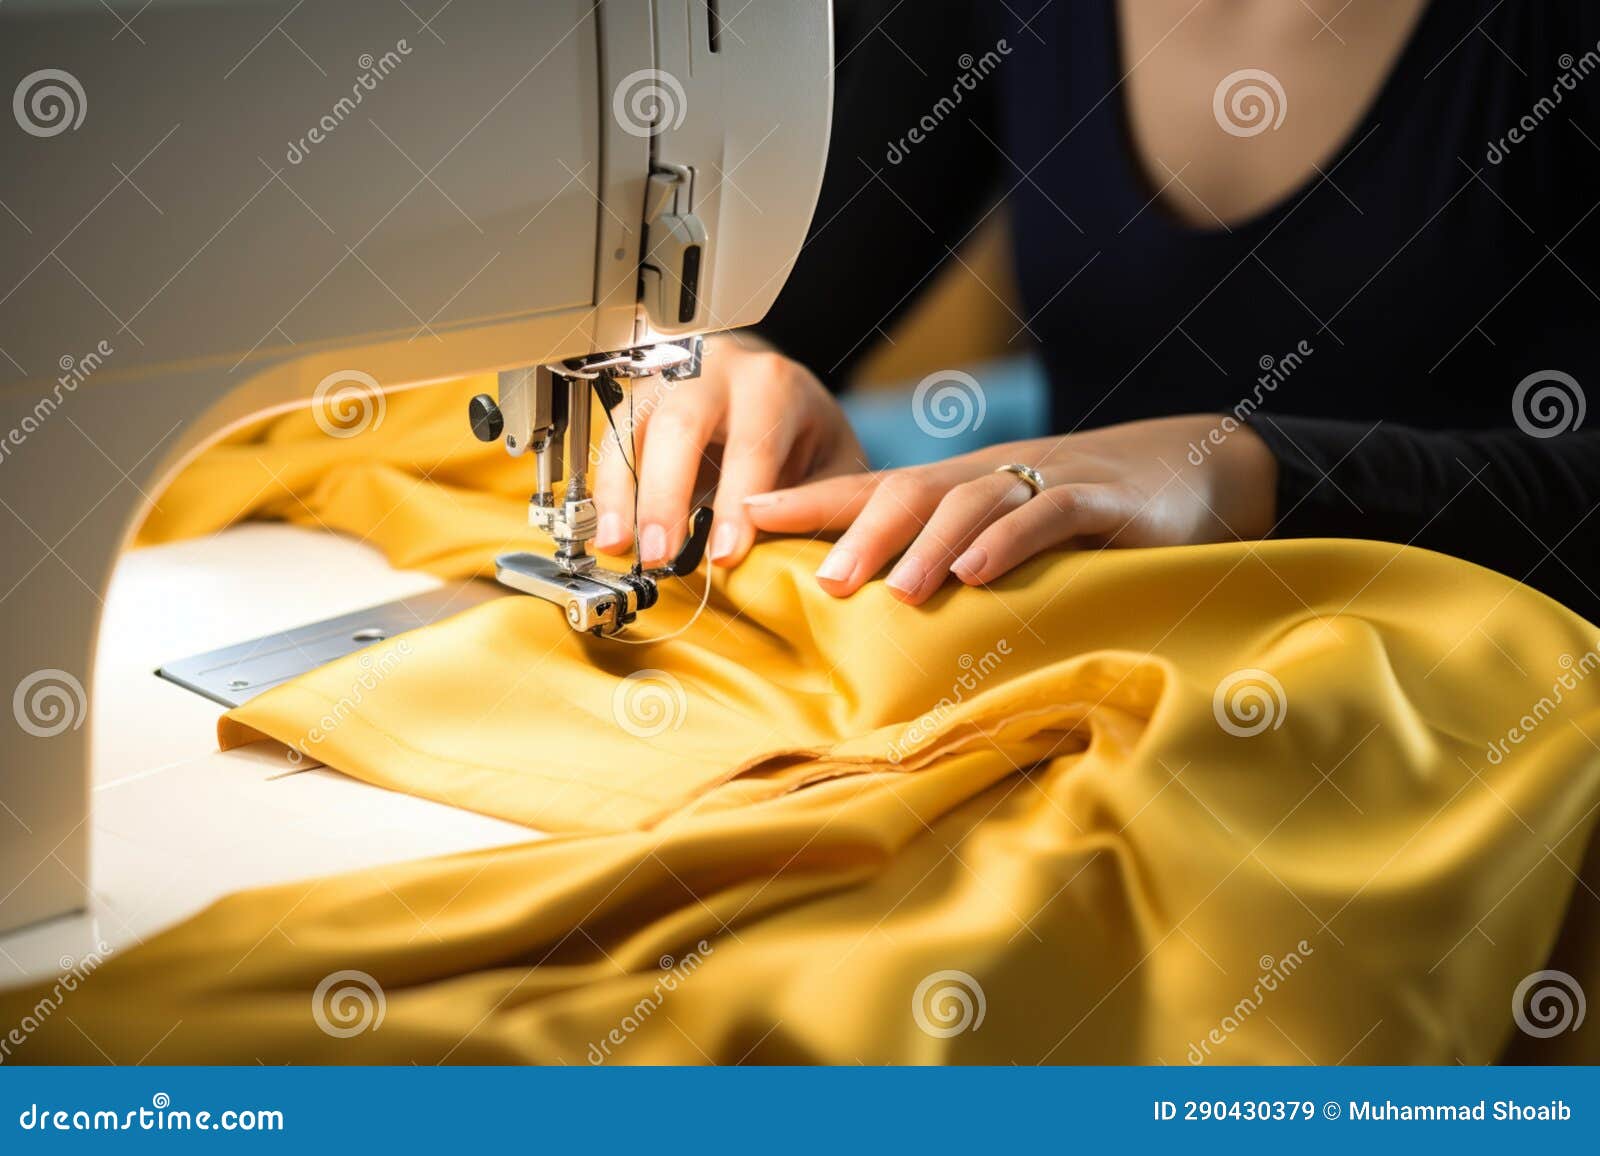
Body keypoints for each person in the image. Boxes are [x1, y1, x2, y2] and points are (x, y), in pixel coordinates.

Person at [594, 0, 1600, 624]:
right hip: (1107, 682)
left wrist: (1258, 470)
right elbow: (793, 306)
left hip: (1485, 732)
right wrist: (724, 370)